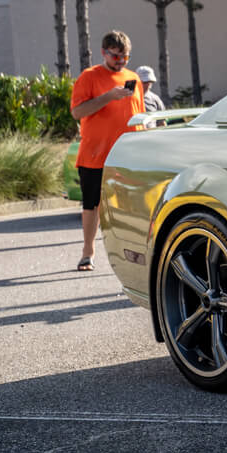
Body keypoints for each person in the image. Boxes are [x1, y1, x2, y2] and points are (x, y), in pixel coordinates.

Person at [69, 30, 145, 272]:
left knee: (130, 207)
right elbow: (78, 112)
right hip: (95, 155)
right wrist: (109, 96)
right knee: (91, 204)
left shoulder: (134, 78)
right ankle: (87, 252)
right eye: (116, 57)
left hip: (128, 156)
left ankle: (133, 254)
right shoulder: (89, 77)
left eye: (125, 58)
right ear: (104, 52)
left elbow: (139, 115)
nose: (120, 62)